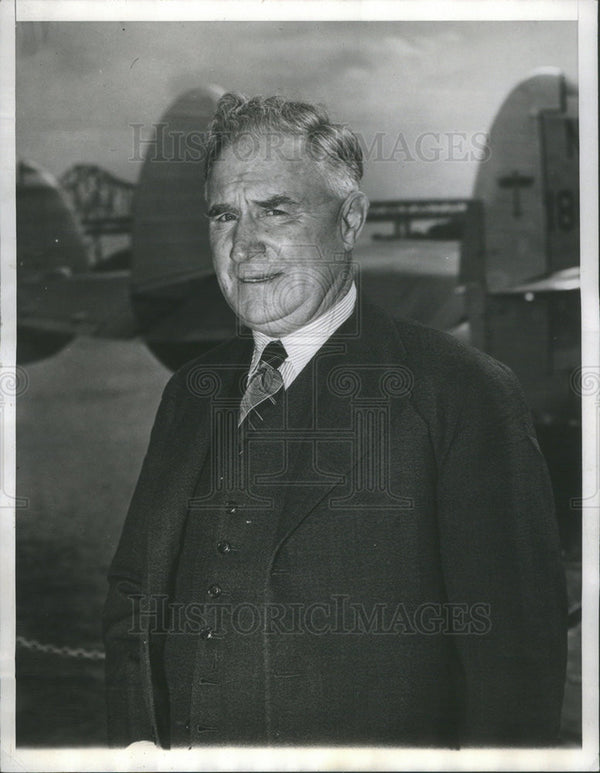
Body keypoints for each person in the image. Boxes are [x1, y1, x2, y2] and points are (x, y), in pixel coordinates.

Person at [103, 93, 567, 748]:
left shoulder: (464, 396)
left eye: (276, 210)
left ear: (350, 220)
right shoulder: (189, 392)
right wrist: (137, 749)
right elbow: (134, 594)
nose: (244, 245)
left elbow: (515, 677)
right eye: (224, 215)